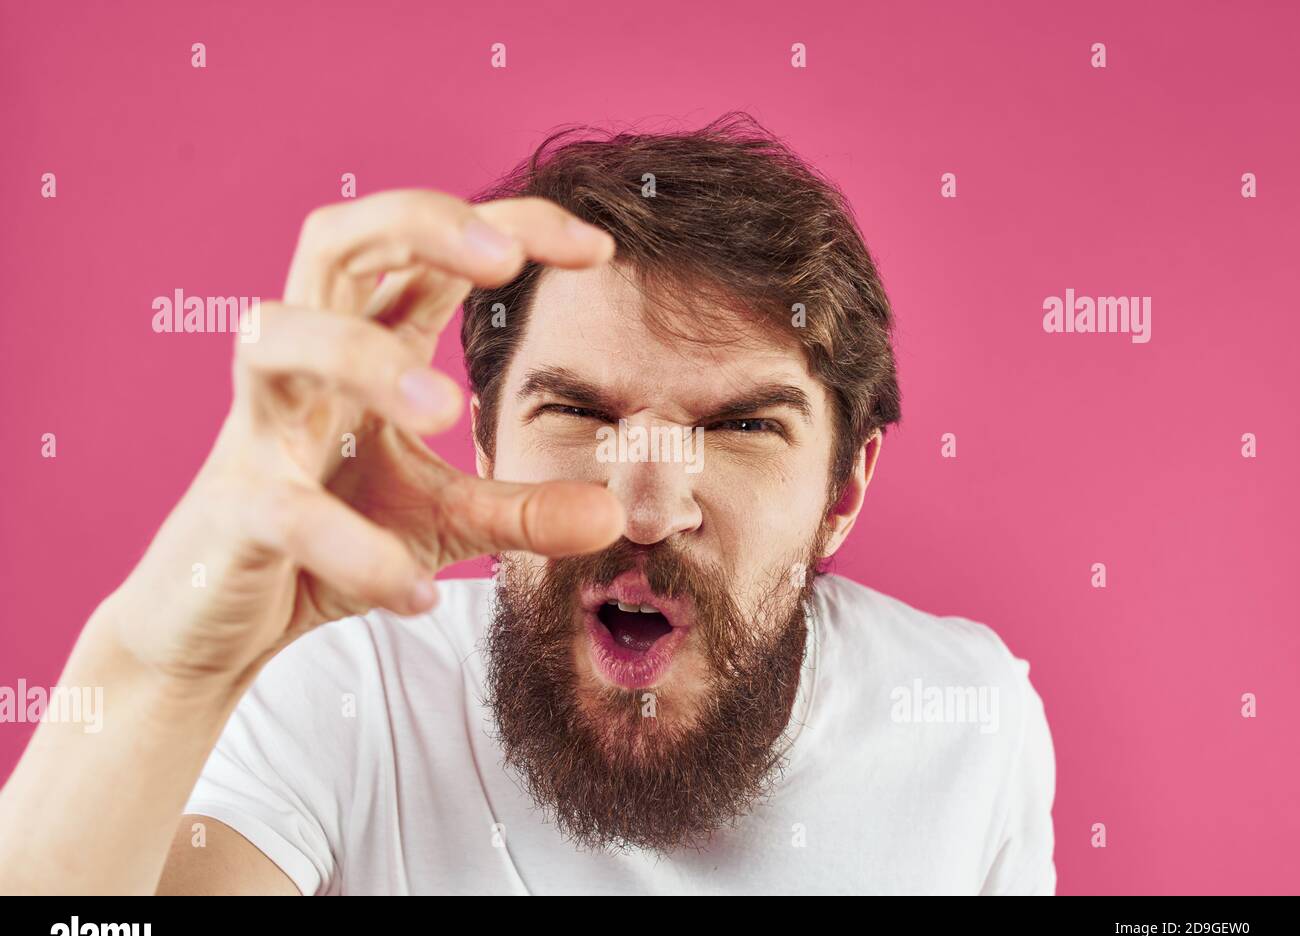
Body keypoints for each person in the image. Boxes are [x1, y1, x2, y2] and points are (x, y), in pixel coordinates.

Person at [0, 113, 1055, 894]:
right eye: (581, 411)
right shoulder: (345, 694)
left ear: (844, 490)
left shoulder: (967, 719)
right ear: (487, 438)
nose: (645, 507)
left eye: (739, 426)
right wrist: (160, 669)